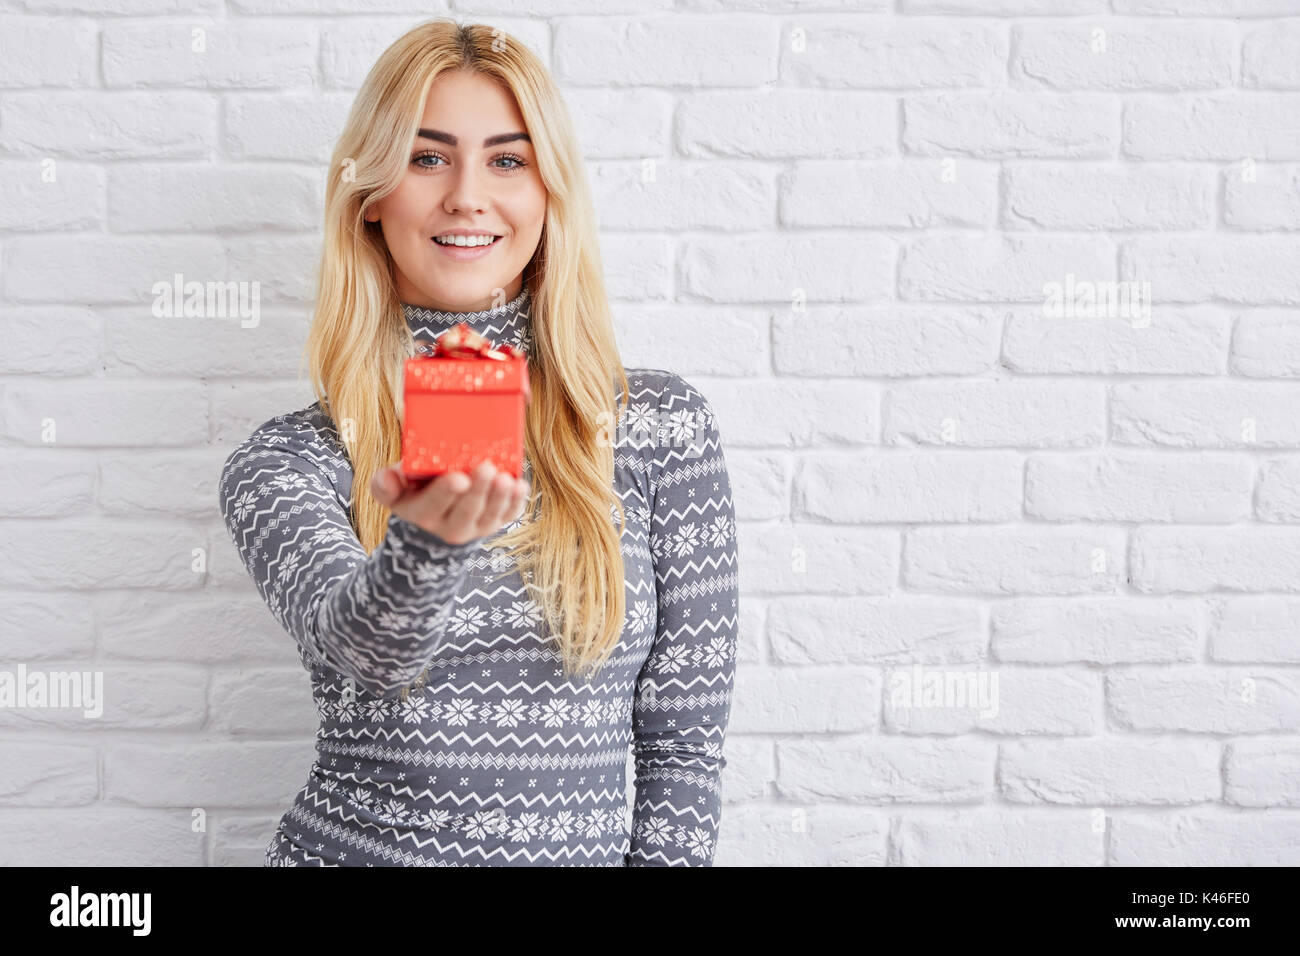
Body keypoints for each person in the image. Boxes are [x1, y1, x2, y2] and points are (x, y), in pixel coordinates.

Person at [217, 18, 740, 866]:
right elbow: (362, 653)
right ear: (371, 198)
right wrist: (428, 543)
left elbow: (684, 748)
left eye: (507, 159)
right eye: (427, 158)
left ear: (548, 194)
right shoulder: (291, 460)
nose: (466, 195)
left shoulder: (659, 429)